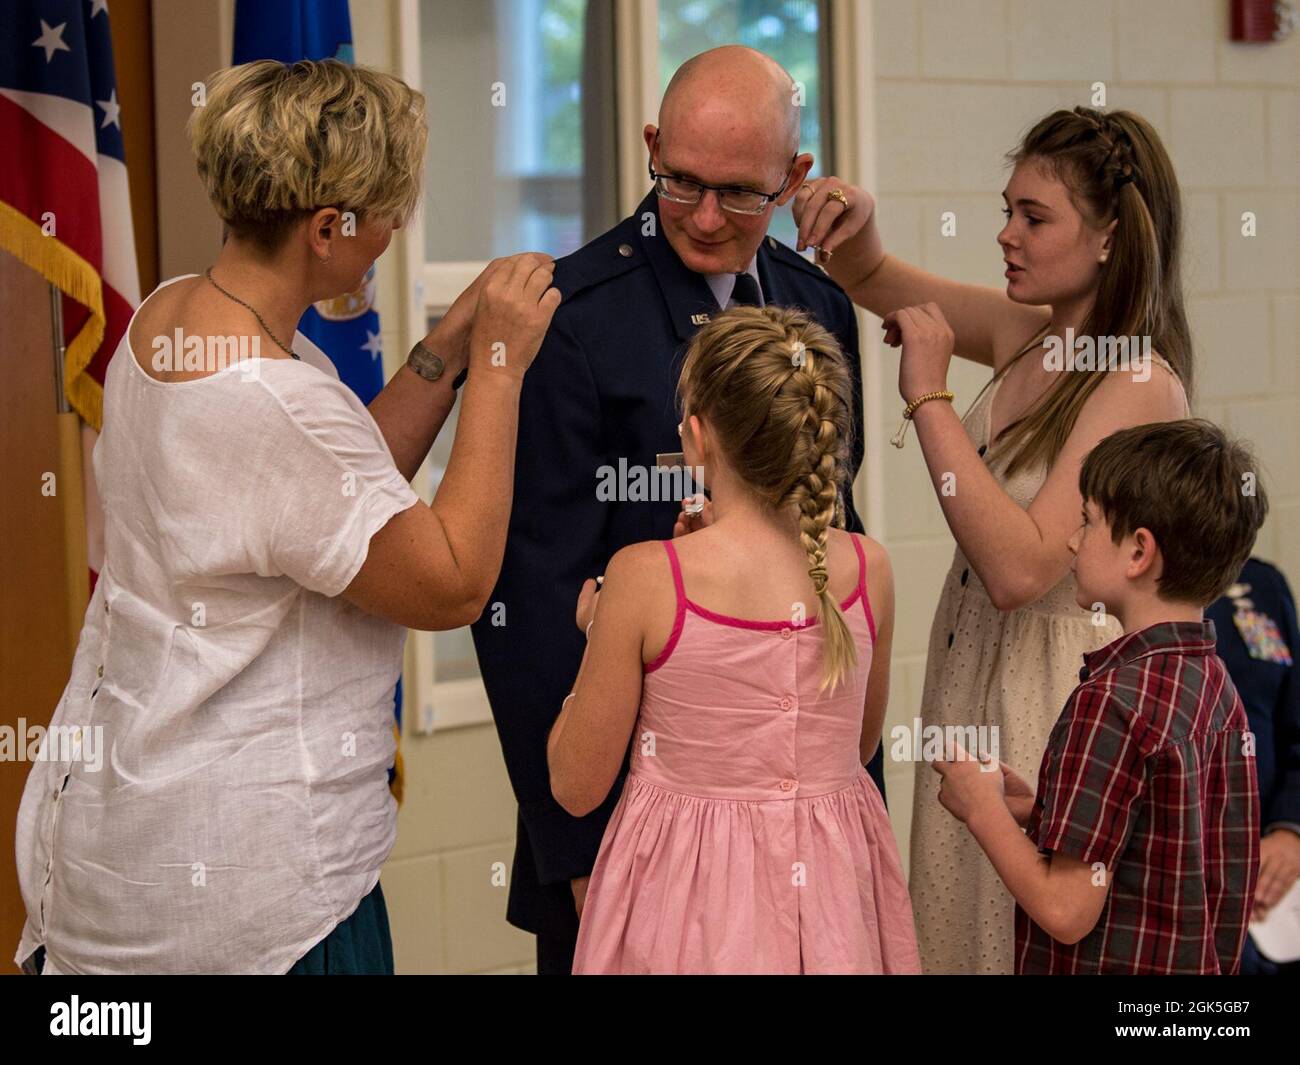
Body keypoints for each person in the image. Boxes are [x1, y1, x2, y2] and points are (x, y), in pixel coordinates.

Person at [13, 59, 558, 975]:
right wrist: (499, 367)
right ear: (324, 229)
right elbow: (453, 577)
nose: (390, 233)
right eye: (383, 213)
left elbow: (335, 505)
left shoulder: (172, 317)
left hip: (121, 854)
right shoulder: (271, 402)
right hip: (252, 909)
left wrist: (444, 351)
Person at [469, 45, 880, 975]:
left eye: (739, 193)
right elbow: (526, 605)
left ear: (794, 178)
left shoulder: (818, 302)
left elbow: (832, 550)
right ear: (651, 145)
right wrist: (575, 853)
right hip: (626, 831)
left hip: (802, 835)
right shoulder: (574, 315)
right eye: (679, 180)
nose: (702, 216)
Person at [792, 107, 1193, 972]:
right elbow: (875, 277)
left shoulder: (1135, 379)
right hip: (972, 675)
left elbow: (1018, 566)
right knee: (955, 935)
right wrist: (855, 220)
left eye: (1034, 217)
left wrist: (929, 397)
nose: (1005, 235)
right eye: (1005, 209)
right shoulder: (1034, 334)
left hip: (1047, 690)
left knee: (1021, 941)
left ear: (1110, 237)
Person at [547, 306, 919, 974]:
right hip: (832, 898)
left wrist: (598, 630)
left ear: (698, 437)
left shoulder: (644, 576)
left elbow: (575, 782)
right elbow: (857, 744)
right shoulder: (871, 568)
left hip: (688, 903)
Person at [935, 419, 1267, 974]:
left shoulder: (1111, 700)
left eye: (1086, 522)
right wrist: (1035, 811)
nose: (1071, 539)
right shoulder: (1216, 686)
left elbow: (1065, 909)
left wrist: (983, 810)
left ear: (1138, 552)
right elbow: (1153, 843)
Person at [1208, 558, 1300, 975]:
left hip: (1272, 888)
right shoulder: (1124, 575)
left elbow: (1294, 722)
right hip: (1185, 874)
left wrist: (1289, 831)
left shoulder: (1262, 583)